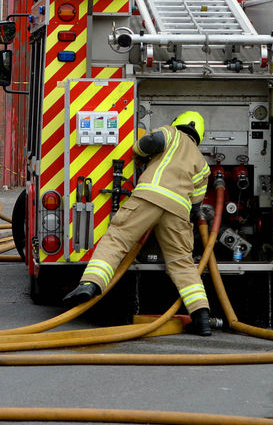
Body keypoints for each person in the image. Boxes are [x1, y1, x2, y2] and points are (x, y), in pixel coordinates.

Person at [62, 110, 213, 335]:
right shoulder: (203, 164)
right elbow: (197, 206)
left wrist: (138, 151)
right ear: (199, 134)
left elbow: (152, 141)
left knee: (117, 238)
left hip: (149, 197)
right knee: (182, 262)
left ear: (177, 122)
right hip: (178, 210)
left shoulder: (171, 133)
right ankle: (202, 317)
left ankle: (90, 284)